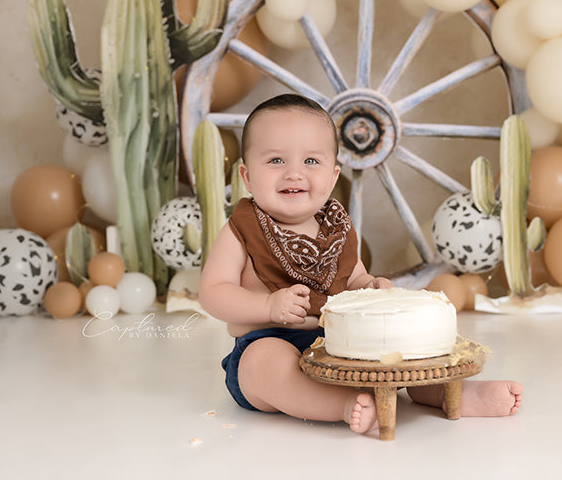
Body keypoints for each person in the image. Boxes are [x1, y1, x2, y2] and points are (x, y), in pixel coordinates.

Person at [199, 94, 523, 435]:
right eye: (276, 160)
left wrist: (370, 287)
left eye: (311, 161)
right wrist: (267, 306)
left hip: (340, 344)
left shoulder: (336, 230)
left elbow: (353, 279)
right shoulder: (242, 229)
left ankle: (449, 393)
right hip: (267, 339)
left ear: (333, 175)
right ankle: (342, 405)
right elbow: (213, 292)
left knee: (402, 352)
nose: (294, 173)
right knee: (263, 364)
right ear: (247, 176)